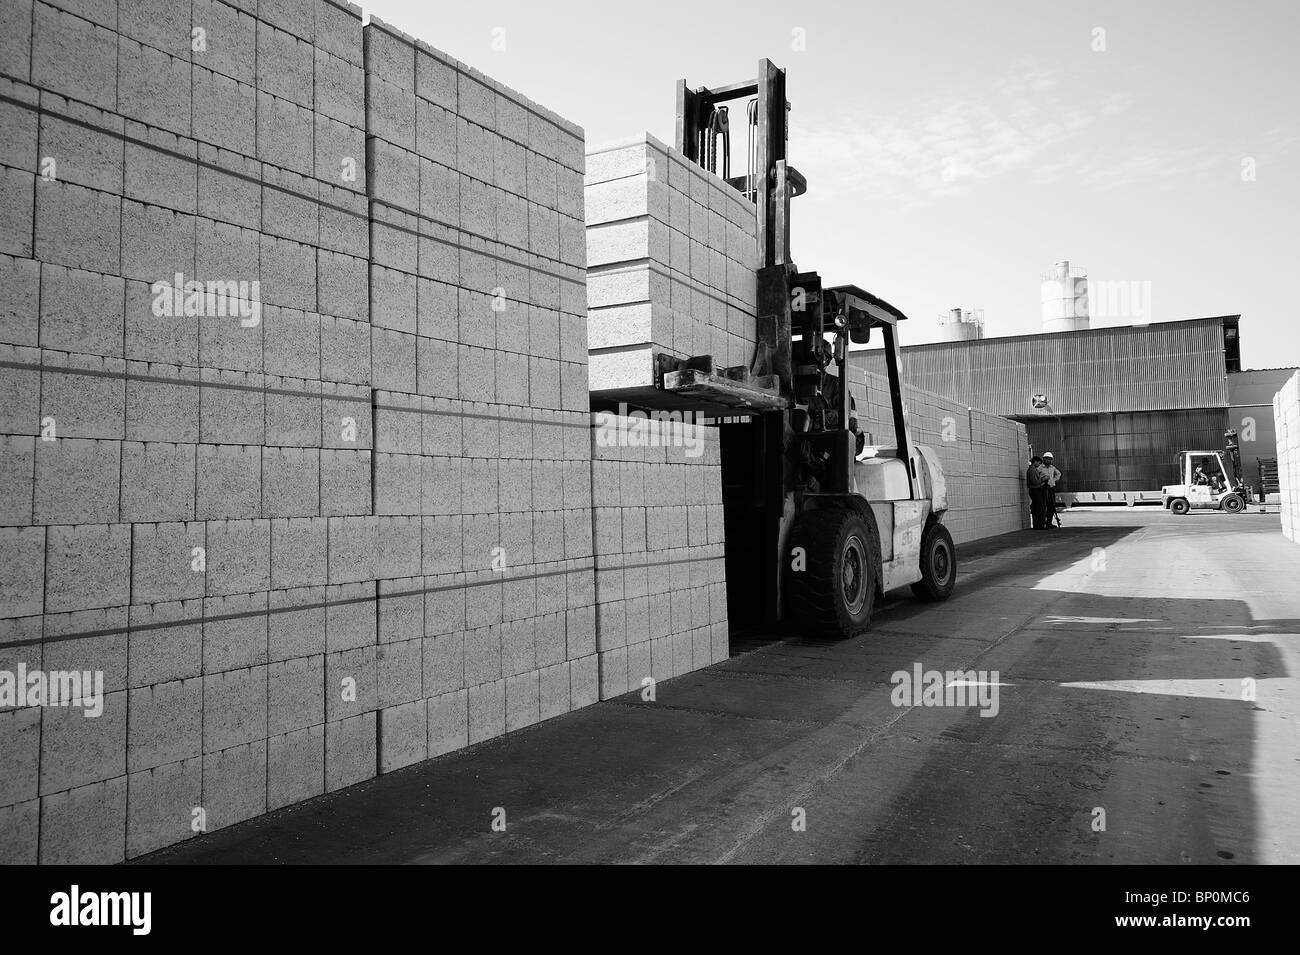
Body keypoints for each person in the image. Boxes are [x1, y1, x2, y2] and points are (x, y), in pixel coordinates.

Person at [1026, 455, 1049, 529]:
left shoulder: (1034, 469)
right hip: (1035, 489)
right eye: (1039, 463)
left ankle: (1039, 524)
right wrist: (1043, 479)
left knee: (1038, 507)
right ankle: (1038, 525)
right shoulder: (1032, 470)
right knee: (1038, 508)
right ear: (1035, 462)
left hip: (1036, 489)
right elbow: (1035, 481)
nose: (1039, 465)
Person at [1041, 452, 1062, 527]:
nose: (1048, 460)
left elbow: (1059, 473)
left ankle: (1049, 523)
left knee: (1052, 506)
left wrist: (1054, 480)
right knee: (1044, 506)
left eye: (1050, 459)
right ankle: (1043, 522)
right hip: (1043, 489)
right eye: (1047, 459)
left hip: (1051, 488)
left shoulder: (1052, 468)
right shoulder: (1040, 468)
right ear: (1043, 459)